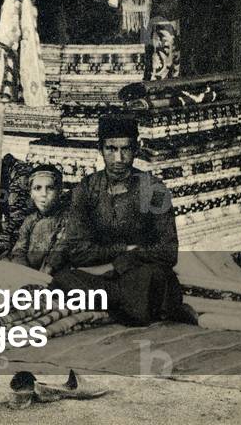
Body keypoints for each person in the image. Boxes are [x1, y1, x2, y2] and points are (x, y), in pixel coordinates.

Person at [51, 114, 196, 326]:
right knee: (64, 280)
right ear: (100, 150)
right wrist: (123, 250)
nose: (118, 159)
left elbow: (168, 250)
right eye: (111, 149)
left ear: (136, 149)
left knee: (150, 277)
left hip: (140, 274)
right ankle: (130, 307)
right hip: (99, 275)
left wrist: (122, 264)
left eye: (125, 149)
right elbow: (77, 249)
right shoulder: (86, 189)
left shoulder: (153, 188)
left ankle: (117, 306)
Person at [7, 164, 69, 273]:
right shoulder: (30, 220)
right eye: (37, 188)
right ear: (31, 193)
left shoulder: (67, 218)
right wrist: (24, 273)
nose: (43, 194)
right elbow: (19, 251)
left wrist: (45, 272)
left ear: (59, 191)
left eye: (50, 188)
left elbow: (60, 252)